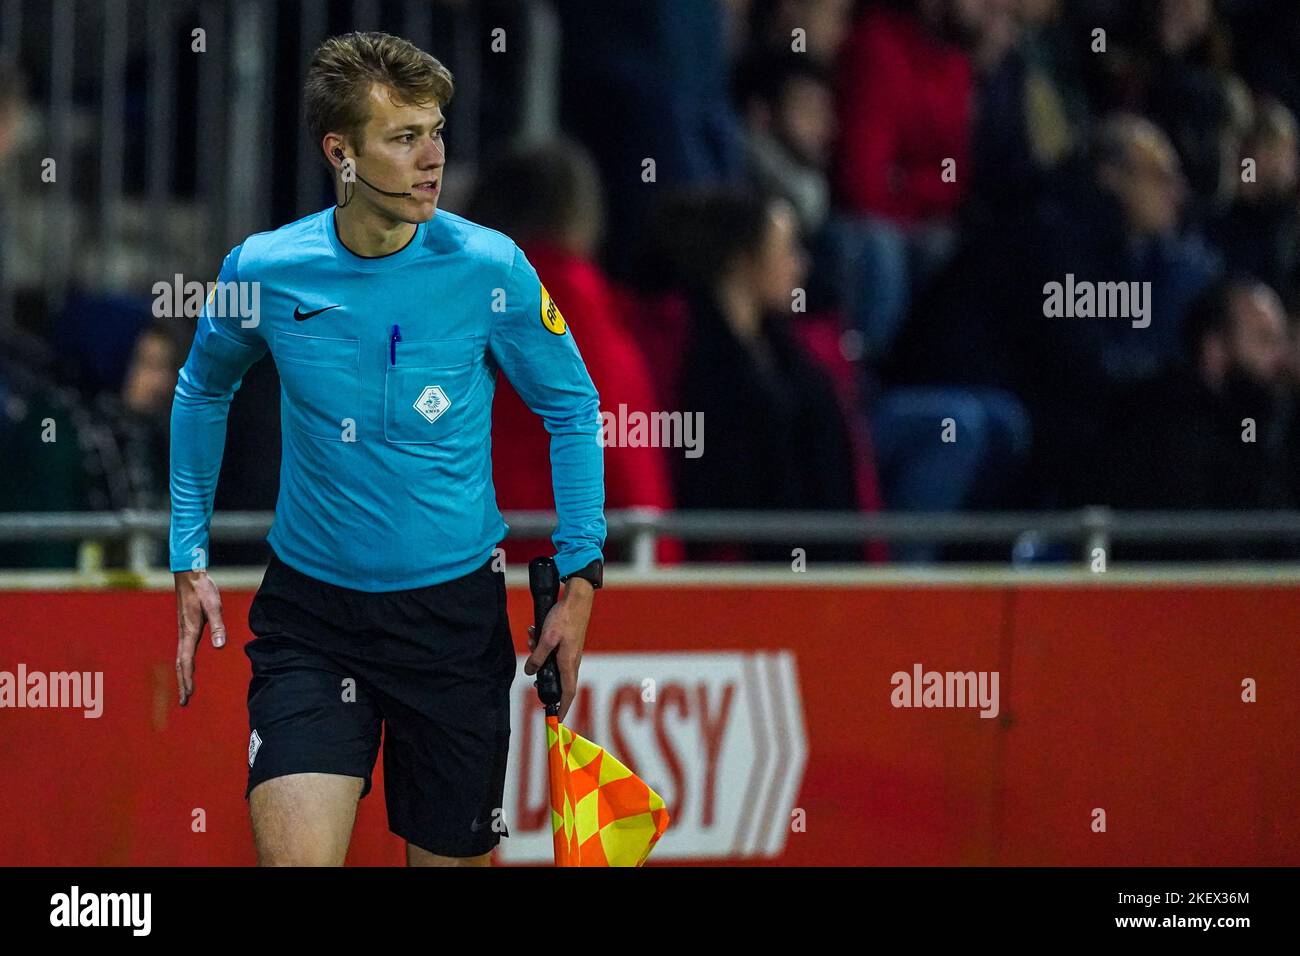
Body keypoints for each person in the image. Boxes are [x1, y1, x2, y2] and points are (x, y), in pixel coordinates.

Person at [169, 32, 606, 867]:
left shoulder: (490, 266)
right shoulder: (263, 269)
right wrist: (186, 550)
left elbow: (573, 408)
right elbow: (201, 389)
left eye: (436, 131)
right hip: (310, 621)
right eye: (404, 138)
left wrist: (581, 572)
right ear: (340, 152)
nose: (432, 158)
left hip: (452, 625)